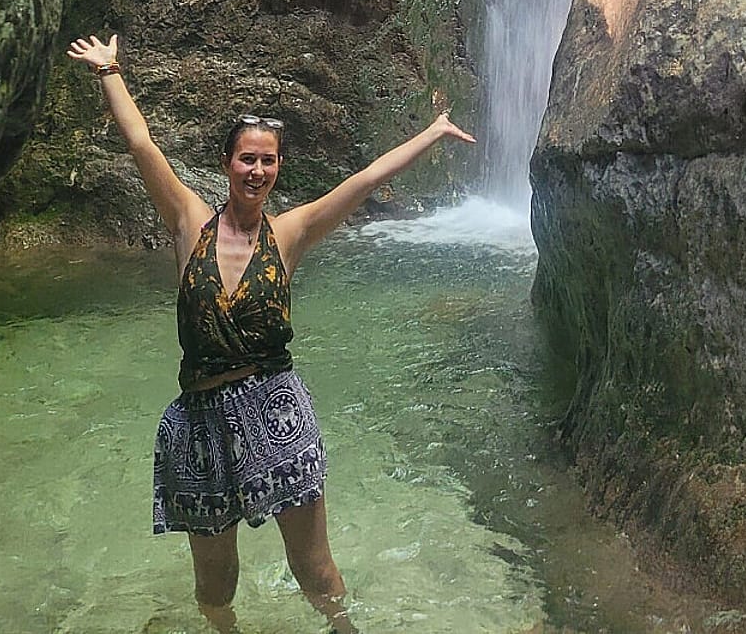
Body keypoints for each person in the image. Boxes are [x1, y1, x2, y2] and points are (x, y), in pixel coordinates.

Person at [66, 34, 475, 633]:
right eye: (247, 158)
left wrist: (434, 132)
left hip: (275, 408)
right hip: (199, 419)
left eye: (268, 160)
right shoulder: (189, 224)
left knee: (315, 570)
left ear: (278, 168)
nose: (258, 170)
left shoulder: (289, 235)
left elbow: (362, 182)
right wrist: (109, 71)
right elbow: (141, 143)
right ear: (227, 163)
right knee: (214, 586)